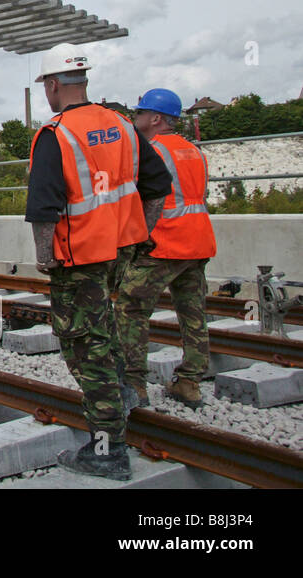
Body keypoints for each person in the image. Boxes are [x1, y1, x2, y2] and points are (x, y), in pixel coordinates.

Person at [25, 44, 171, 480]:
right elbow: (158, 187)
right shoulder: (123, 126)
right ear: (82, 80)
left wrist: (46, 259)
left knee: (87, 347)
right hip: (121, 251)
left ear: (52, 85)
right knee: (106, 330)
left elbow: (44, 209)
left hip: (79, 258)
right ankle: (124, 391)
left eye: (46, 87)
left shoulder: (56, 134)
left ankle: (108, 450)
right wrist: (139, 234)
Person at [116, 88, 217, 409]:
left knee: (131, 308)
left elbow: (142, 201)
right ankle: (190, 382)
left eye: (140, 113)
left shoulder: (152, 153)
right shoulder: (194, 151)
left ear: (156, 119)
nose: (136, 118)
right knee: (193, 313)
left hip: (164, 243)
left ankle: (134, 383)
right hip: (199, 242)